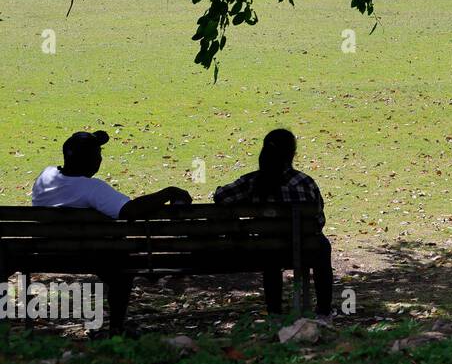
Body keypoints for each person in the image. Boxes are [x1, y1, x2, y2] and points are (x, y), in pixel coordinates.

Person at [213, 129, 332, 317]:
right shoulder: (304, 182)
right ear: (292, 154)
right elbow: (318, 220)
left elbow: (220, 197)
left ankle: (274, 313)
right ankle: (324, 312)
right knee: (323, 246)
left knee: (270, 251)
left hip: (267, 252)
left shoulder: (251, 182)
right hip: (304, 249)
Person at [31, 130, 191, 218]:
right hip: (90, 254)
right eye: (98, 153)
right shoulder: (92, 188)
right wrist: (168, 193)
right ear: (92, 160)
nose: (101, 157)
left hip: (41, 250)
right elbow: (129, 211)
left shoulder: (45, 176)